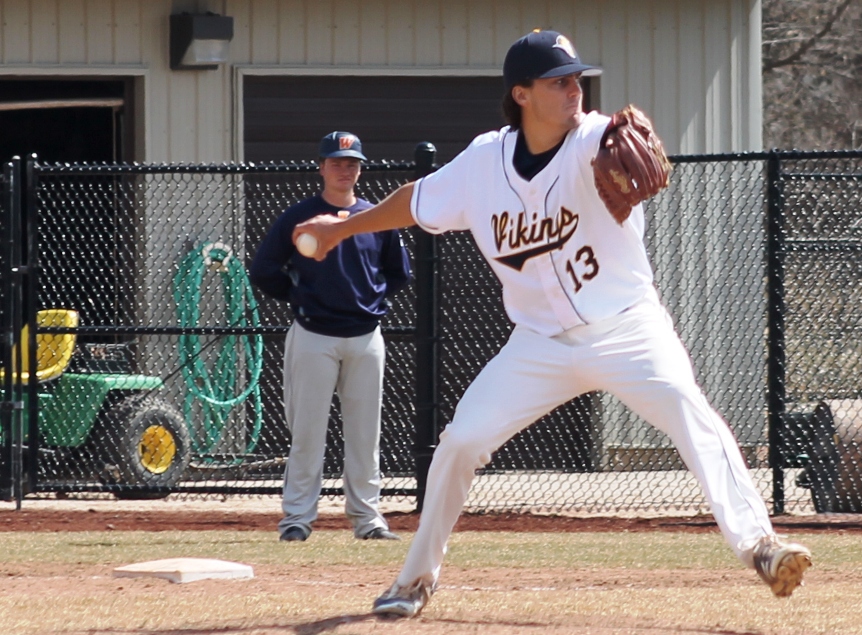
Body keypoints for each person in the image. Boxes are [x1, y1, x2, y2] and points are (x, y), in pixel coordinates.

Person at [293, 30, 812, 617]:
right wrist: (338, 228)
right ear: (521, 94)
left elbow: (619, 140)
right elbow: (415, 201)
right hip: (536, 345)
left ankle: (760, 547)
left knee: (688, 409)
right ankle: (413, 581)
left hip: (626, 329)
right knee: (460, 443)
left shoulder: (594, 139)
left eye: (577, 79)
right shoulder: (485, 162)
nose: (574, 89)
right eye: (559, 81)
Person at [250, 131, 412, 542]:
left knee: (364, 434)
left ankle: (368, 519)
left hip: (365, 337)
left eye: (352, 162)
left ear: (361, 167)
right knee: (307, 433)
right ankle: (297, 521)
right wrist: (303, 298)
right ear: (321, 166)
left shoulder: (377, 217)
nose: (345, 169)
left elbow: (399, 273)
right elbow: (264, 269)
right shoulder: (299, 217)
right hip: (313, 335)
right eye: (337, 162)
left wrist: (369, 301)